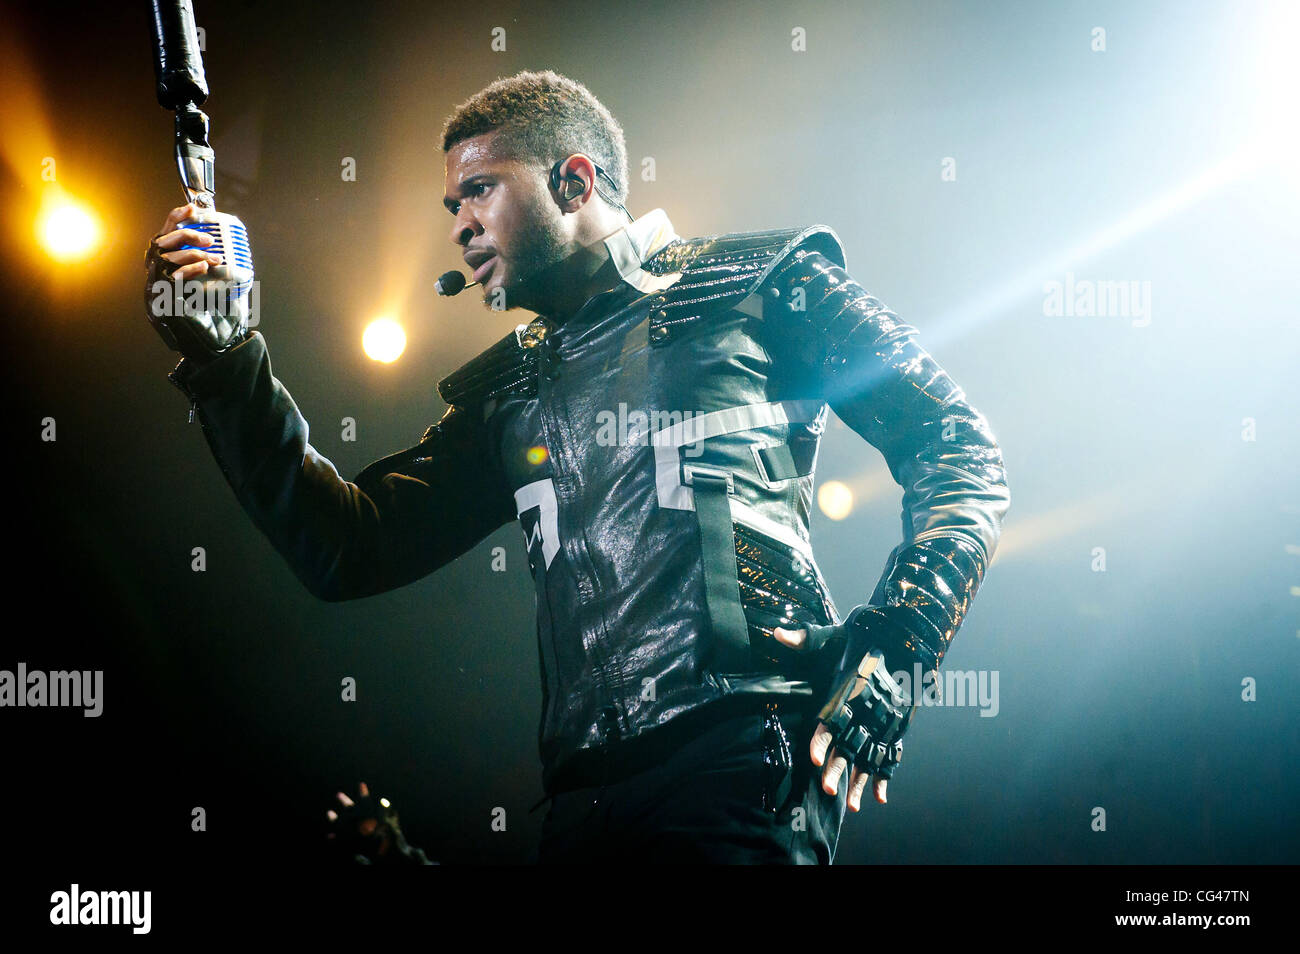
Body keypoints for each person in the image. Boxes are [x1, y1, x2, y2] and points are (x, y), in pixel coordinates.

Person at [144, 69, 1010, 864]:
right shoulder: (506, 392)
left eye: (479, 190)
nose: (458, 225)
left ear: (574, 180)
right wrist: (227, 364)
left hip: (742, 761)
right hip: (580, 806)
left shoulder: (759, 281)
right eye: (453, 203)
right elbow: (346, 547)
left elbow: (958, 442)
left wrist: (898, 642)